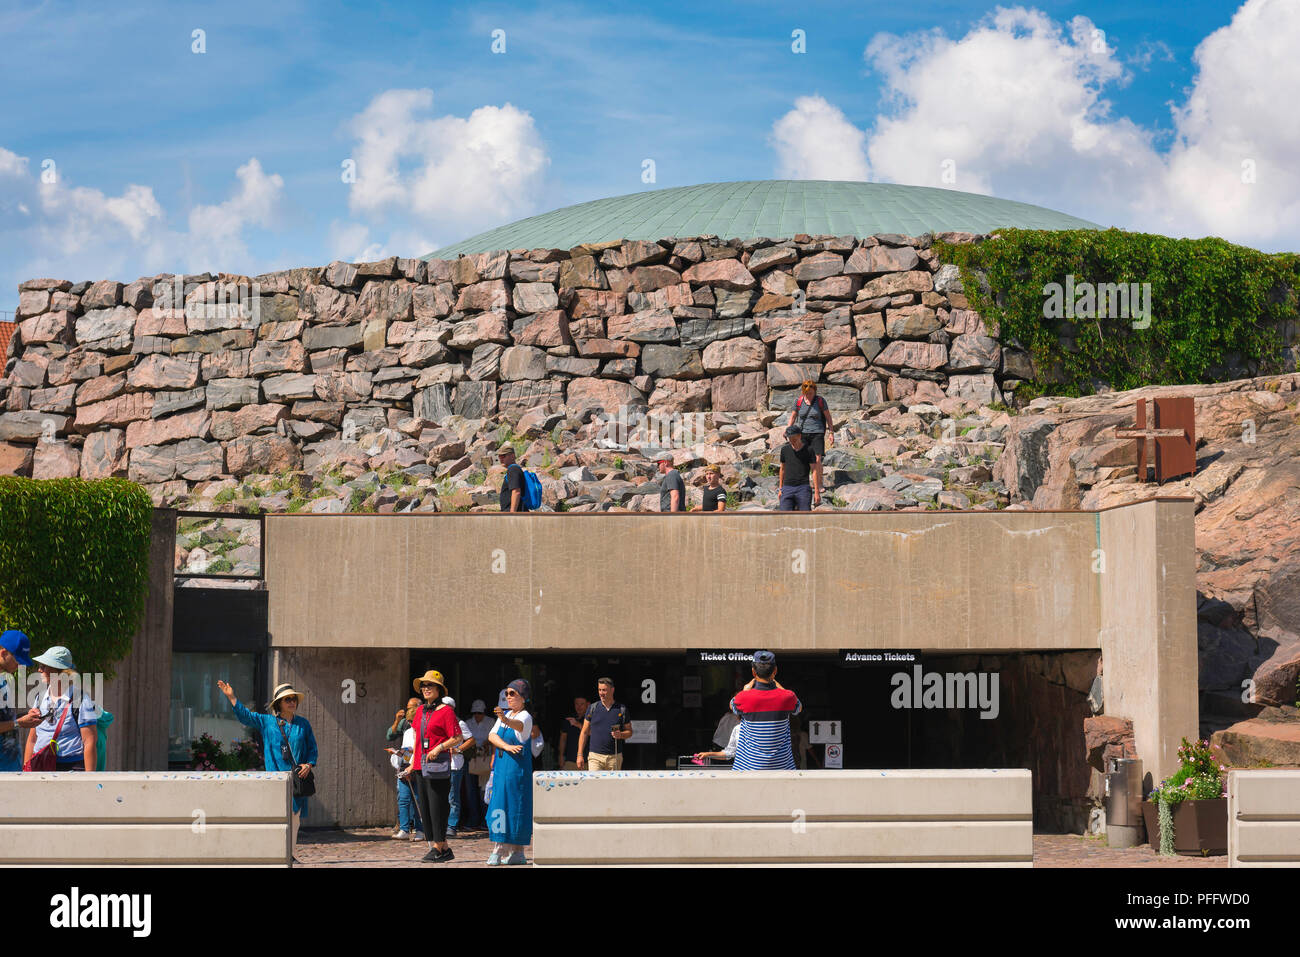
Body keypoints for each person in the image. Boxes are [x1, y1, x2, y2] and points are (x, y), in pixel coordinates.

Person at [217, 678, 317, 854]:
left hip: (297, 780)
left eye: (294, 699)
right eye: (288, 699)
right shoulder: (267, 722)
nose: (292, 702)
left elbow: (312, 748)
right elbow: (245, 717)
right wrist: (232, 697)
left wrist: (309, 764)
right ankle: (276, 855)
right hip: (276, 779)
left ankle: (289, 856)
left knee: (295, 820)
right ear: (279, 703)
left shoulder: (303, 724)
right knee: (277, 819)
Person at [409, 669, 462, 863]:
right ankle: (442, 847)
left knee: (437, 806)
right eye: (423, 685)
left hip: (436, 766)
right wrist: (411, 763)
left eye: (430, 685)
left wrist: (439, 747)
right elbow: (417, 737)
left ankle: (438, 847)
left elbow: (457, 737)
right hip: (419, 765)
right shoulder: (421, 710)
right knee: (425, 807)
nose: (426, 688)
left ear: (439, 689)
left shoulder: (446, 711)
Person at [23, 646, 99, 773]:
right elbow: (32, 739)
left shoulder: (81, 700)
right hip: (40, 765)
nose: (39, 670)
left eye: (44, 666)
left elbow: (89, 741)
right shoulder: (40, 698)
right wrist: (25, 772)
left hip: (71, 769)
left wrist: (89, 780)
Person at [486, 679, 534, 865]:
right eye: (506, 693)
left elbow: (519, 727)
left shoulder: (525, 716)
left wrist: (505, 720)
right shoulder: (505, 716)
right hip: (501, 768)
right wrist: (506, 746)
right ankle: (498, 849)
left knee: (516, 807)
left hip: (517, 771)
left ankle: (518, 851)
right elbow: (492, 736)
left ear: (523, 697)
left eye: (512, 693)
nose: (508, 697)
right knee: (499, 805)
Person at [729, 651, 802, 770]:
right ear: (775, 671)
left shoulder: (743, 697)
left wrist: (745, 690)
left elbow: (732, 706)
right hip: (782, 769)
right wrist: (782, 689)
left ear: (753, 671)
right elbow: (798, 708)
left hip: (748, 770)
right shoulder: (788, 696)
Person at [787, 380, 834, 506]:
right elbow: (793, 416)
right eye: (807, 393)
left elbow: (828, 417)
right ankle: (805, 482)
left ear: (815, 391)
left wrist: (831, 433)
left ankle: (819, 483)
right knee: (803, 459)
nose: (809, 395)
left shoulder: (820, 401)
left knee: (817, 459)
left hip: (817, 433)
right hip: (802, 434)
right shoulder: (798, 401)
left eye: (812, 393)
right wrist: (788, 429)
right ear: (804, 392)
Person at [0, 631, 41, 772]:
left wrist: (25, 717)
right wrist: (19, 723)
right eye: (17, 659)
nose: (19, 665)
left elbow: (5, 720)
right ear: (4, 653)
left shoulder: (5, 679)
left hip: (11, 767)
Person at [386, 699, 424, 840]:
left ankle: (421, 830)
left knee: (418, 800)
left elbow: (421, 751)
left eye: (413, 721)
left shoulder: (423, 731)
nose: (411, 724)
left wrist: (412, 766)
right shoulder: (408, 732)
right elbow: (405, 749)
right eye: (409, 721)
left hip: (418, 768)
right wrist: (398, 754)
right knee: (403, 799)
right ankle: (404, 829)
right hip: (404, 768)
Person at [576, 677, 631, 771]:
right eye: (599, 690)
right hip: (595, 757)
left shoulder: (622, 709)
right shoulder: (592, 708)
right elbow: (584, 732)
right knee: (595, 784)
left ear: (612, 690)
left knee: (613, 786)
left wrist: (621, 734)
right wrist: (580, 755)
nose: (601, 693)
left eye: (604, 690)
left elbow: (629, 732)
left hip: (614, 757)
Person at [442, 696, 476, 839]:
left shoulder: (459, 723)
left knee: (452, 797)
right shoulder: (440, 722)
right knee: (440, 796)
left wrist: (459, 749)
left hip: (455, 764)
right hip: (439, 764)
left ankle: (451, 826)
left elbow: (471, 740)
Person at [464, 699, 495, 830]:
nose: (477, 715)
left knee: (485, 790)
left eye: (480, 713)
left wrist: (487, 743)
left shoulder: (490, 722)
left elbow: (494, 738)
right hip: (471, 758)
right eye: (475, 712)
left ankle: (485, 820)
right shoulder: (467, 723)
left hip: (485, 759)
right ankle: (473, 819)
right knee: (470, 791)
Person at [777, 425, 816, 512]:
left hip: (803, 487)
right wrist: (780, 488)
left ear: (799, 436)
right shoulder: (784, 450)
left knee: (805, 515)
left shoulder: (809, 450)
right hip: (787, 487)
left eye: (793, 439)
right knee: (784, 516)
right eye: (789, 439)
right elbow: (782, 469)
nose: (791, 441)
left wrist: (816, 492)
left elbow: (814, 471)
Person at [557, 696, 589, 770]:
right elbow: (563, 739)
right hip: (570, 760)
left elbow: (593, 734)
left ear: (588, 704)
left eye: (582, 704)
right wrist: (561, 756)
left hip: (588, 761)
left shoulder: (592, 718)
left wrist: (578, 724)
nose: (579, 707)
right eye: (577, 704)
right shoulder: (569, 719)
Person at [498, 444, 530, 512]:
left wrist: (512, 514)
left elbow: (516, 491)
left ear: (512, 456)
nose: (501, 459)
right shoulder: (514, 469)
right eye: (499, 456)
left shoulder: (513, 469)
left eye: (503, 456)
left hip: (515, 513)